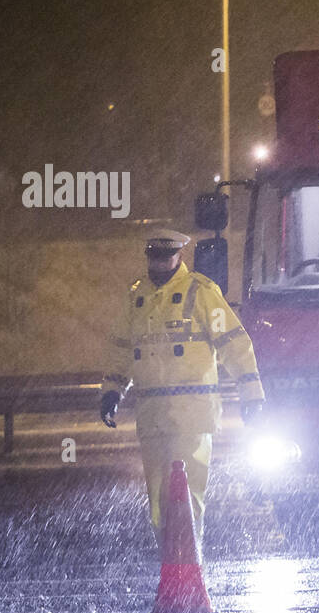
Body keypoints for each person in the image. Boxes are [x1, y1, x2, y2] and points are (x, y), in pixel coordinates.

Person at [100, 228, 265, 549]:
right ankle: (171, 564)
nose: (160, 264)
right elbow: (121, 348)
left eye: (166, 257)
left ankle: (189, 558)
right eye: (154, 257)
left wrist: (252, 394)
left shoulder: (201, 292)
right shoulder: (137, 296)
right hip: (153, 415)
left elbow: (234, 344)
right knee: (158, 497)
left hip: (191, 415)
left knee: (188, 493)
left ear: (180, 255)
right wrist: (111, 390)